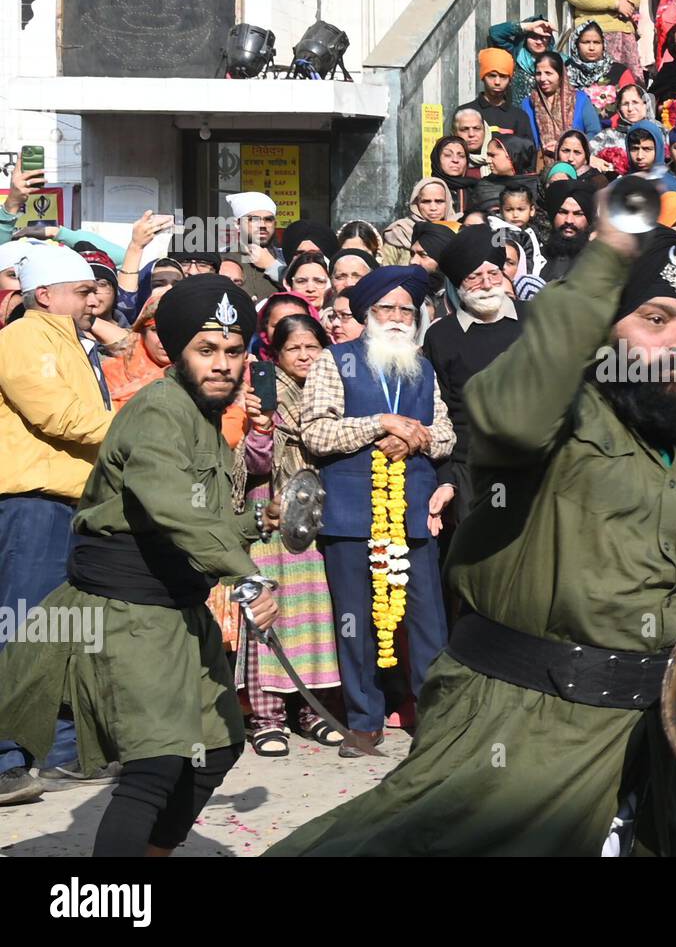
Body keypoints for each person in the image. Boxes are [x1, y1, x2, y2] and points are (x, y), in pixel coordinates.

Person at [268, 219, 676, 857]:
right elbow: (507, 412)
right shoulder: (548, 417)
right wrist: (600, 268)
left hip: (667, 744)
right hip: (522, 725)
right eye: (654, 319)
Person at [0, 275, 278, 849]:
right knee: (154, 767)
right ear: (178, 352)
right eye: (206, 350)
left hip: (179, 606)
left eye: (233, 351)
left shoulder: (201, 411)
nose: (222, 364)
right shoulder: (158, 412)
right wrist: (246, 576)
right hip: (130, 611)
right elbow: (172, 507)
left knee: (218, 746)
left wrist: (259, 522)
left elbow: (197, 513)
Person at [299, 266, 456, 755]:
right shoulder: (334, 360)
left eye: (405, 310)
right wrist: (378, 424)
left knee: (427, 622)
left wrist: (415, 435)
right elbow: (316, 433)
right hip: (351, 513)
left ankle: (434, 721)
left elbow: (447, 435)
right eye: (386, 309)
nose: (396, 317)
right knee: (356, 623)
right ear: (367, 315)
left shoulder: (423, 367)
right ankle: (365, 720)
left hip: (412, 509)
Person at [0, 246, 116, 804]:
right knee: (22, 631)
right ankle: (5, 759)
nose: (93, 299)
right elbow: (58, 415)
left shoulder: (68, 340)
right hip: (33, 504)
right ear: (44, 295)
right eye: (82, 291)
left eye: (93, 290)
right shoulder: (24, 338)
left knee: (67, 633)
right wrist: (139, 425)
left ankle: (63, 752)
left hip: (72, 505)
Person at [231, 313, 344, 756]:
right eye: (292, 348)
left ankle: (315, 711)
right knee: (268, 615)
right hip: (272, 519)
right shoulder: (260, 395)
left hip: (319, 518)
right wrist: (261, 428)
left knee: (319, 621)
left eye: (311, 346)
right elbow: (254, 466)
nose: (303, 355)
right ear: (274, 355)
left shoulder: (331, 394)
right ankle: (267, 718)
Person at [421, 228, 524, 529]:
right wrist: (447, 479)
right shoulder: (441, 335)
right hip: (471, 470)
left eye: (493, 273)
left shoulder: (538, 318)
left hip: (535, 465)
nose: (487, 284)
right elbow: (437, 410)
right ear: (458, 282)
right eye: (474, 277)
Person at [487, 16, 559, 107]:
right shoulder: (516, 54)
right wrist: (528, 27)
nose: (538, 42)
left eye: (543, 37)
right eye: (533, 36)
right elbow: (495, 33)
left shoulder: (556, 61)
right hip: (517, 116)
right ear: (525, 38)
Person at [462, 48, 532, 140]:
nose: (497, 82)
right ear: (483, 77)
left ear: (510, 80)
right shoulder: (465, 113)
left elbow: (526, 151)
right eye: (492, 76)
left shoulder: (519, 117)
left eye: (503, 76)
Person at [540, 181, 596, 282]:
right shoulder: (536, 255)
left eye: (578, 214)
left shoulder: (598, 261)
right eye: (563, 212)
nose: (569, 220)